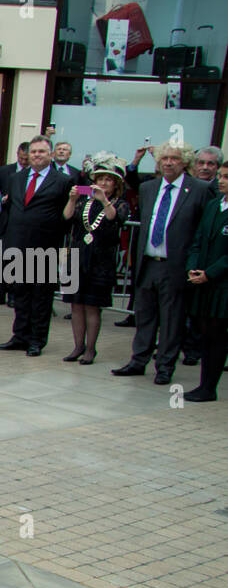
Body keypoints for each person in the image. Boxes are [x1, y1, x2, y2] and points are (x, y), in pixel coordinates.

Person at [111, 142, 212, 384]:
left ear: (184, 162)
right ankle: (138, 360)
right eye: (164, 158)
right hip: (148, 262)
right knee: (144, 315)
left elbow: (202, 230)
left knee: (171, 319)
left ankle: (165, 366)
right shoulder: (148, 188)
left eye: (174, 158)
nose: (168, 162)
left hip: (175, 265)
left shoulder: (198, 190)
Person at [0, 134, 70, 356]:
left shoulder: (62, 181)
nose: (37, 155)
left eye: (42, 152)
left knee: (40, 298)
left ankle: (36, 340)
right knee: (20, 294)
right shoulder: (17, 178)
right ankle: (20, 336)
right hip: (17, 245)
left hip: (44, 247)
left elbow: (66, 216)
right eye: (34, 152)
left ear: (51, 154)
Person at [61, 153, 129, 365]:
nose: (103, 183)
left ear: (115, 184)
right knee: (76, 305)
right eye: (99, 179)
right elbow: (67, 216)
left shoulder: (119, 203)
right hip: (79, 257)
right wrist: (72, 198)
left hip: (101, 260)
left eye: (108, 180)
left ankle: (90, 349)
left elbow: (113, 219)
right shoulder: (84, 201)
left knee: (92, 306)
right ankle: (77, 345)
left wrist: (104, 200)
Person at [183, 162, 228, 402]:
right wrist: (193, 266)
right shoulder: (213, 205)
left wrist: (210, 272)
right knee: (204, 332)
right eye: (220, 176)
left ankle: (210, 386)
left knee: (217, 334)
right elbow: (198, 239)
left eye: (226, 177)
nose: (221, 181)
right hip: (203, 278)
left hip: (221, 283)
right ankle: (203, 384)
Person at [0, 141, 30, 307]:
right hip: (4, 219)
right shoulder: (5, 170)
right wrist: (2, 199)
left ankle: (13, 294)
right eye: (21, 158)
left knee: (16, 258)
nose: (23, 162)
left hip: (21, 222)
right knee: (0, 256)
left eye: (26, 159)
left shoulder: (32, 176)